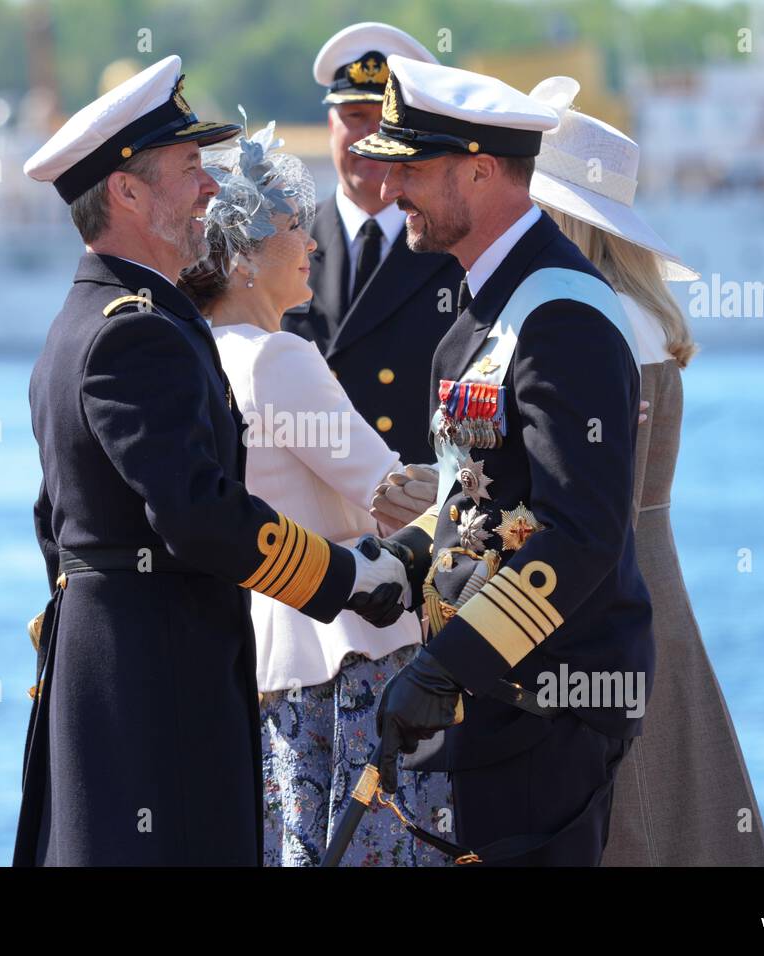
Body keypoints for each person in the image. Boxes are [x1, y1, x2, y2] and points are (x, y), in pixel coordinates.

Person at [12, 55, 408, 866]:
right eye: (191, 169)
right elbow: (196, 513)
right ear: (125, 191)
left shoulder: (102, 318)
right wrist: (349, 580)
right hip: (154, 674)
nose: (210, 190)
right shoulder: (132, 331)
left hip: (125, 661)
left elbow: (52, 523)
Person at [346, 55, 654, 866]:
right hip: (497, 698)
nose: (389, 189)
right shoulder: (488, 307)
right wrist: (374, 569)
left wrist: (452, 663)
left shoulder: (562, 316)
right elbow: (473, 506)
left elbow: (581, 530)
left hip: (548, 700)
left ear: (481, 172)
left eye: (411, 168)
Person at [177, 115, 452, 866]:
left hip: (268, 653)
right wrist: (478, 471)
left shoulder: (200, 352)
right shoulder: (278, 358)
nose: (314, 245)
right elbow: (392, 494)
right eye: (297, 229)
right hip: (351, 653)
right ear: (243, 260)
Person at [525, 77, 764, 866]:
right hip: (646, 566)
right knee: (677, 793)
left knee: (629, 807)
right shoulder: (637, 314)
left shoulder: (591, 316)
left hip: (600, 580)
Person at [282, 22, 465, 467]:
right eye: (354, 118)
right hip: (302, 520)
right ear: (330, 124)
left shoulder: (455, 249)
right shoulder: (278, 242)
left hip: (419, 511)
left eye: (385, 122)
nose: (368, 139)